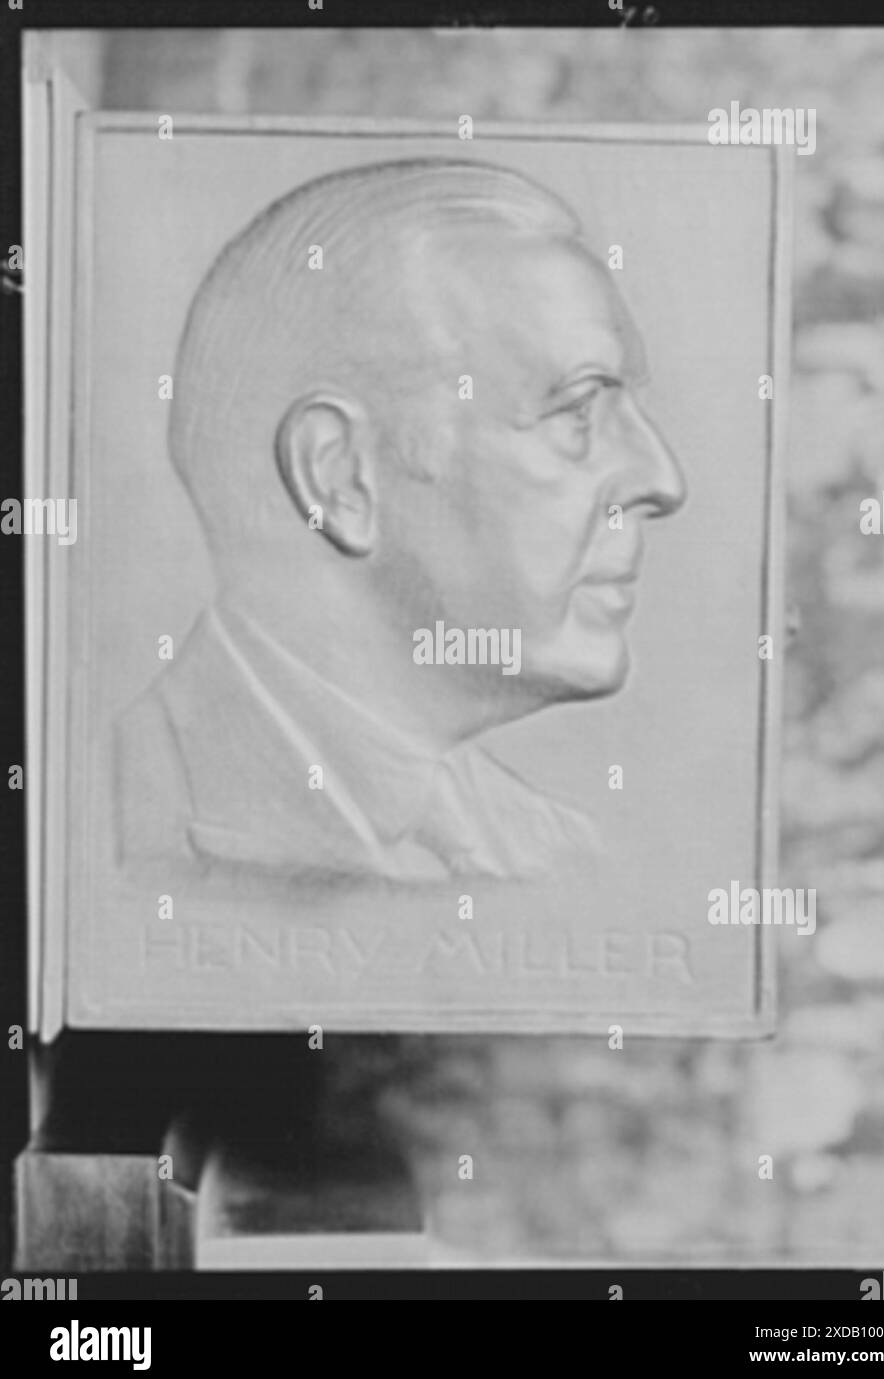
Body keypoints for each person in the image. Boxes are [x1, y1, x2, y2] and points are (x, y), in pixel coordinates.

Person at [115, 158, 685, 883]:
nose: (663, 481)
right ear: (342, 476)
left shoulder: (555, 855)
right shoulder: (106, 824)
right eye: (577, 410)